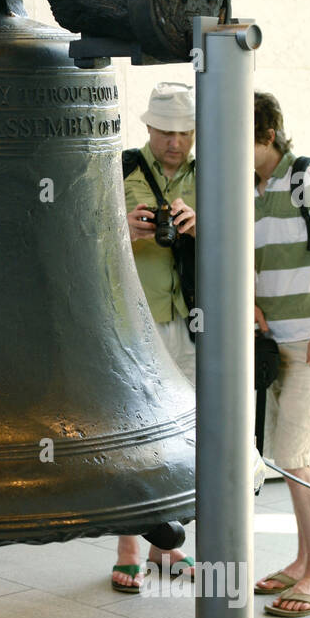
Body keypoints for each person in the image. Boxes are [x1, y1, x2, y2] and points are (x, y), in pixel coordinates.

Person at [111, 81, 197, 592]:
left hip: (189, 318)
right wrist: (124, 226)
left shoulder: (211, 173)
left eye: (185, 133)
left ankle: (167, 546)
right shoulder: (120, 169)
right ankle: (126, 549)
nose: (175, 143)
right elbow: (83, 231)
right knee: (130, 435)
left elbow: (236, 238)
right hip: (130, 321)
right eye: (166, 132)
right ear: (147, 127)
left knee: (183, 432)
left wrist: (199, 224)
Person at [253, 92, 310, 616]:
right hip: (270, 341)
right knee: (284, 455)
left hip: (309, 338)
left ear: (268, 134)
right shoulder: (250, 189)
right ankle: (302, 561)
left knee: (297, 458)